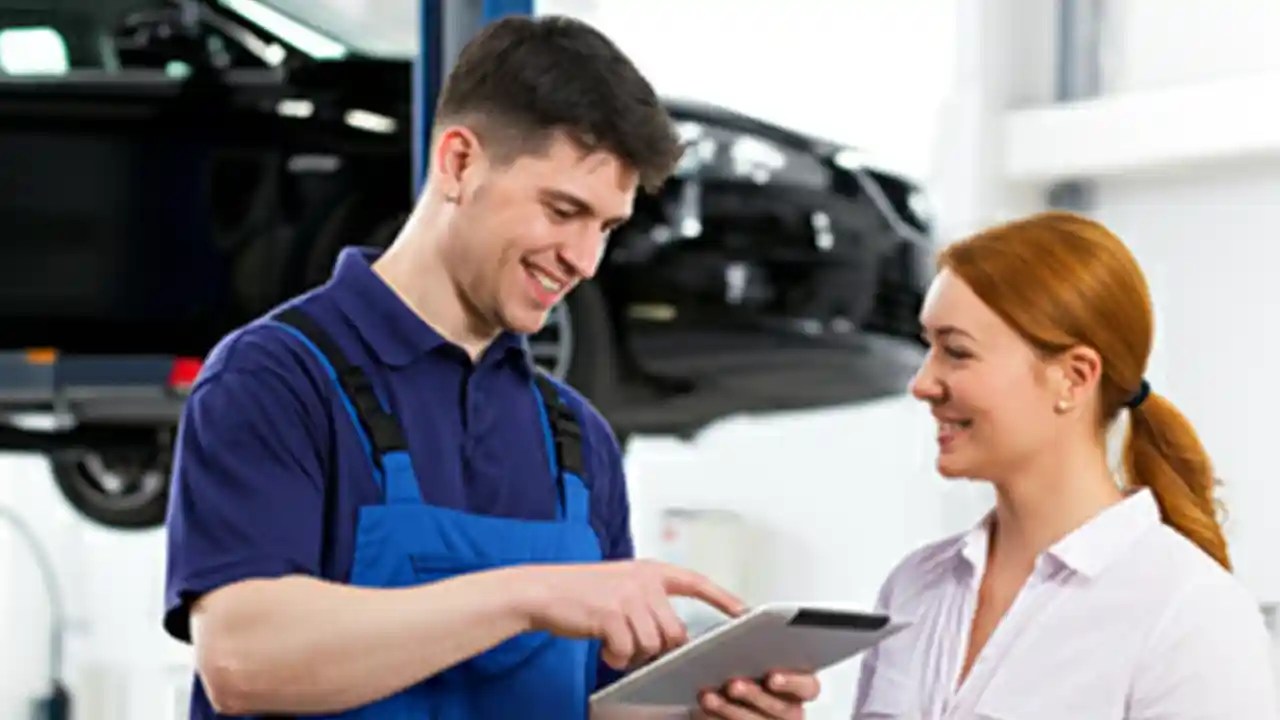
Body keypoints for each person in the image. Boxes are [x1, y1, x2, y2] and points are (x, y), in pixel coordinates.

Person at [161, 14, 820, 720]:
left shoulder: (576, 438)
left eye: (605, 226)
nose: (584, 259)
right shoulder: (276, 379)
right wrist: (527, 594)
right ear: (458, 162)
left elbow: (581, 704)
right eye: (563, 209)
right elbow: (243, 659)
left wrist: (700, 713)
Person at [852, 211, 1279, 719]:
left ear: (1073, 379)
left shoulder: (1190, 613)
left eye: (956, 352)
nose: (922, 383)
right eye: (929, 349)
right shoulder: (913, 586)